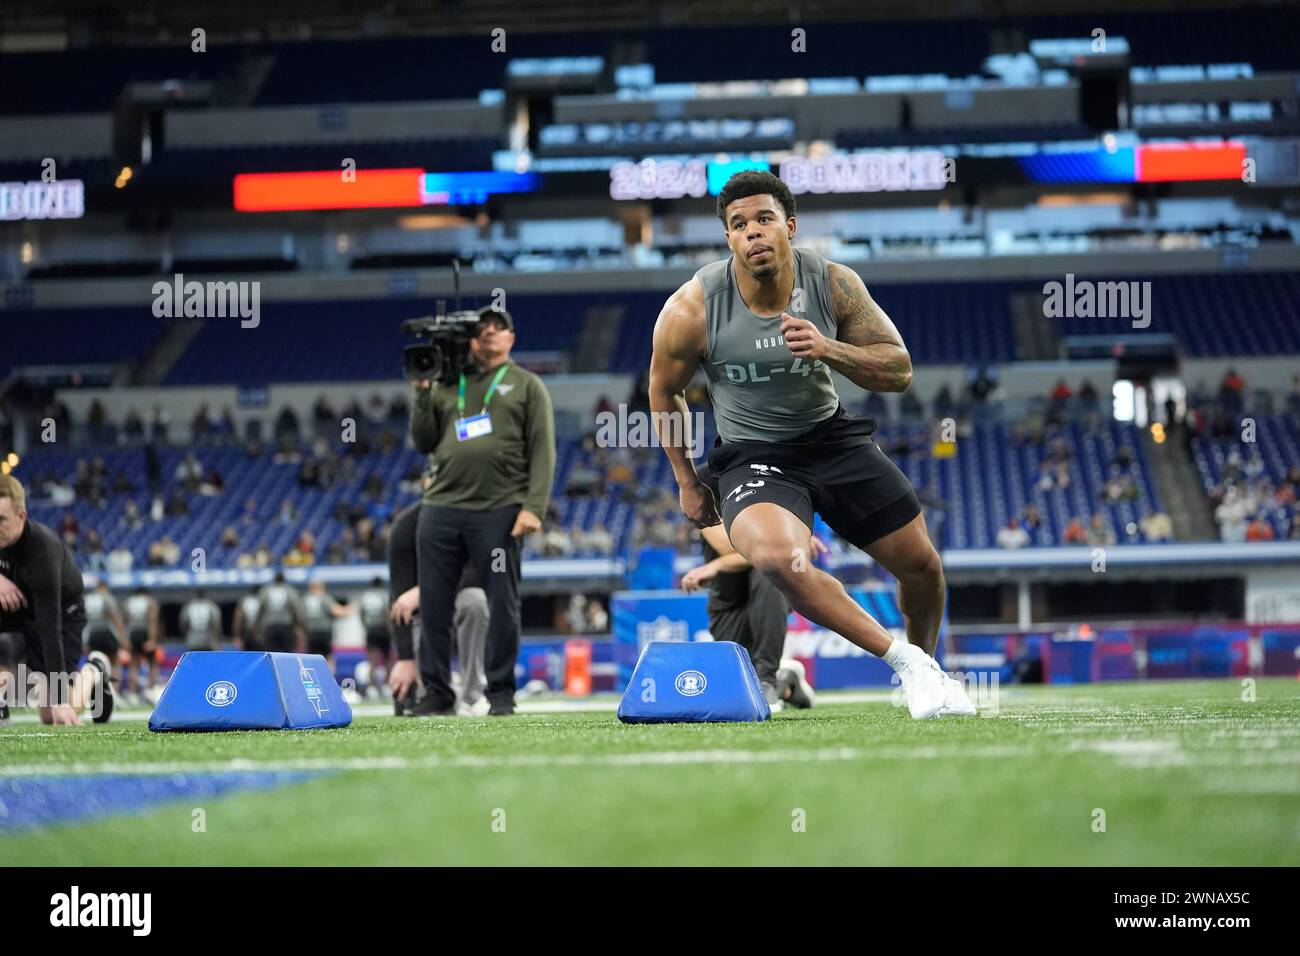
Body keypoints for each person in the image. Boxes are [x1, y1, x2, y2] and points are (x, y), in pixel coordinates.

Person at [648, 169, 973, 719]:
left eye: (764, 219)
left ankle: (927, 674)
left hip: (831, 440)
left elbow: (899, 371)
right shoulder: (692, 309)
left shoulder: (832, 283)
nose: (753, 232)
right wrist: (686, 480)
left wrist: (828, 349)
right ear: (728, 238)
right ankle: (909, 663)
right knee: (781, 561)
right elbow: (663, 391)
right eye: (739, 225)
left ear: (790, 227)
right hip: (754, 455)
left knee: (923, 568)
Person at [409, 306, 556, 716]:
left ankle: (501, 693)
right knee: (434, 603)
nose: (490, 331)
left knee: (501, 603)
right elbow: (422, 441)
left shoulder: (526, 385)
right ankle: (437, 692)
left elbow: (543, 449)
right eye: (482, 328)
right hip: (440, 508)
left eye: (499, 327)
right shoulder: (447, 383)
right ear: (472, 340)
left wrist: (534, 507)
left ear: (511, 339)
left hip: (499, 510)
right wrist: (422, 391)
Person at [0, 475, 113, 724]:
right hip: (20, 608)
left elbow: (50, 629)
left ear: (21, 515)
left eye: (1, 520)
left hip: (61, 614)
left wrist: (59, 701)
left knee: (51, 715)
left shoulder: (41, 551)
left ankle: (94, 670)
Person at [680, 517, 816, 711]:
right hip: (728, 604)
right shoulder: (707, 503)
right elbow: (729, 547)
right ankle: (787, 683)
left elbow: (776, 553)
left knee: (770, 569)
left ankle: (767, 680)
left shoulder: (768, 500)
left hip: (769, 592)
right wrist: (790, 542)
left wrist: (715, 566)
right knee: (733, 690)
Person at [385, 502, 489, 717]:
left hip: (456, 600)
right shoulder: (406, 526)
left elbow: (484, 572)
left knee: (476, 601)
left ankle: (473, 694)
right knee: (413, 699)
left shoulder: (472, 517)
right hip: (423, 614)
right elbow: (399, 600)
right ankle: (437, 688)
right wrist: (405, 658)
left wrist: (426, 590)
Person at [121, 585, 161, 700]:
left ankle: (132, 693)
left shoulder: (128, 602)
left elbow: (124, 622)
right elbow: (152, 620)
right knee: (152, 662)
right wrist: (152, 640)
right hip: (145, 633)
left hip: (133, 633)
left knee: (134, 664)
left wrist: (125, 639)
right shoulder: (150, 602)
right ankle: (151, 690)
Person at [302, 579, 350, 671]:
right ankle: (330, 676)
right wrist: (349, 608)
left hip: (310, 633)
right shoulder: (324, 598)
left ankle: (312, 676)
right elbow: (337, 612)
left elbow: (301, 617)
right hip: (323, 633)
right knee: (328, 657)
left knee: (310, 658)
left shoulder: (305, 600)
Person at [254, 572, 304, 652]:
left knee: (270, 652)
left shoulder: (266, 590)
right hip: (286, 626)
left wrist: (257, 627)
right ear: (284, 580)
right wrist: (298, 626)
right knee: (287, 652)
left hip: (270, 626)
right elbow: (295, 610)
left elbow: (260, 610)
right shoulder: (290, 590)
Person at [232, 585, 261, 650]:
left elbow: (238, 619)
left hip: (247, 632)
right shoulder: (261, 600)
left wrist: (237, 635)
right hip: (257, 633)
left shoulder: (245, 600)